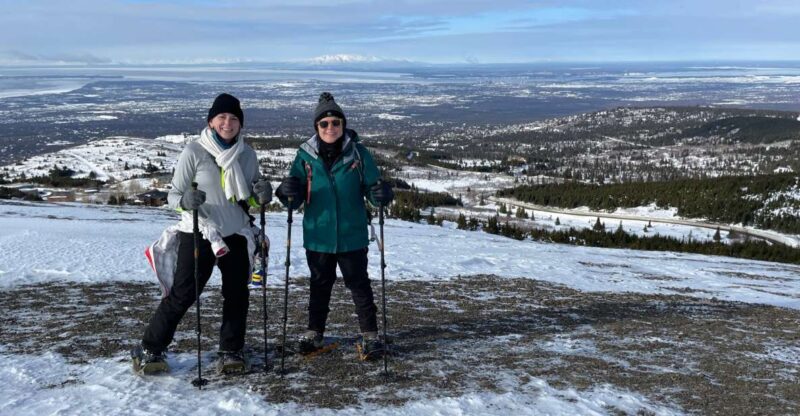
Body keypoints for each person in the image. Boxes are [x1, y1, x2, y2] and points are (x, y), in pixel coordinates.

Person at [132, 93, 273, 374]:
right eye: (222, 117)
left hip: (235, 233)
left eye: (233, 118)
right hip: (199, 232)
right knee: (184, 292)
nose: (227, 123)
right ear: (211, 121)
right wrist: (186, 201)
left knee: (237, 295)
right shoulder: (194, 151)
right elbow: (173, 196)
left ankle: (231, 351)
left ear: (240, 124)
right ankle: (150, 347)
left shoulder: (247, 154)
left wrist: (263, 195)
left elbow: (250, 198)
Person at [275, 92, 394, 358]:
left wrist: (381, 195)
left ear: (343, 124)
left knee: (359, 285)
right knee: (319, 285)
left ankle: (371, 335)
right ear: (316, 127)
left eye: (335, 122)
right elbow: (293, 198)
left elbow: (373, 190)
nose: (331, 128)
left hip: (352, 235)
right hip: (318, 235)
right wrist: (286, 193)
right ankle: (314, 333)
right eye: (324, 123)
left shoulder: (359, 154)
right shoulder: (305, 156)